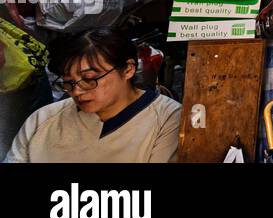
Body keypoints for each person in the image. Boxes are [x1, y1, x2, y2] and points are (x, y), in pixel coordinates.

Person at [4, 27, 180, 163]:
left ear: (128, 69)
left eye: (89, 79)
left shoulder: (168, 120)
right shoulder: (42, 120)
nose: (77, 91)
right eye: (68, 82)